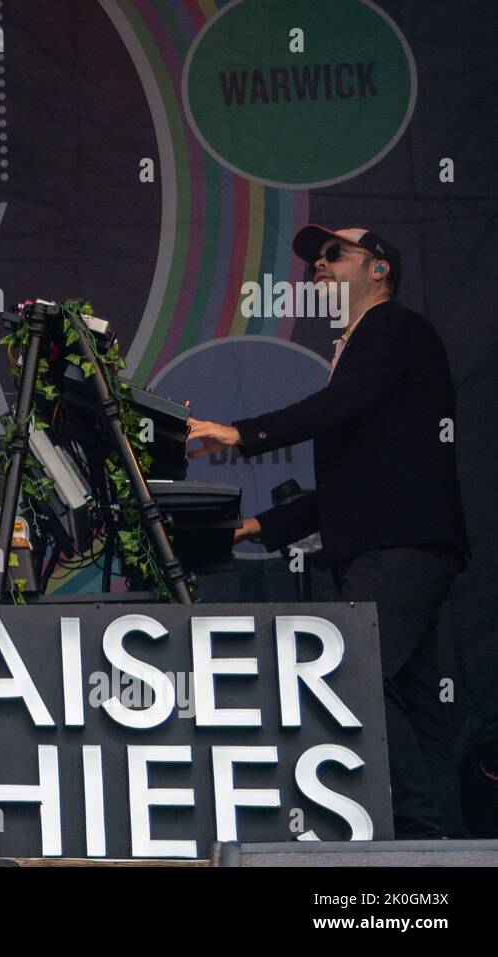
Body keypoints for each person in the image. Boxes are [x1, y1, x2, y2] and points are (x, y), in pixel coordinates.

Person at [187, 225, 469, 838]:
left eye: (335, 253)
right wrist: (256, 526)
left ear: (379, 269)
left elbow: (337, 409)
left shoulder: (394, 328)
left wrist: (242, 433)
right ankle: (448, 841)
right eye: (316, 258)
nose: (320, 263)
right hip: (395, 543)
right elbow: (354, 479)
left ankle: (422, 837)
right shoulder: (369, 345)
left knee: (362, 677)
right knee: (416, 706)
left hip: (396, 547)